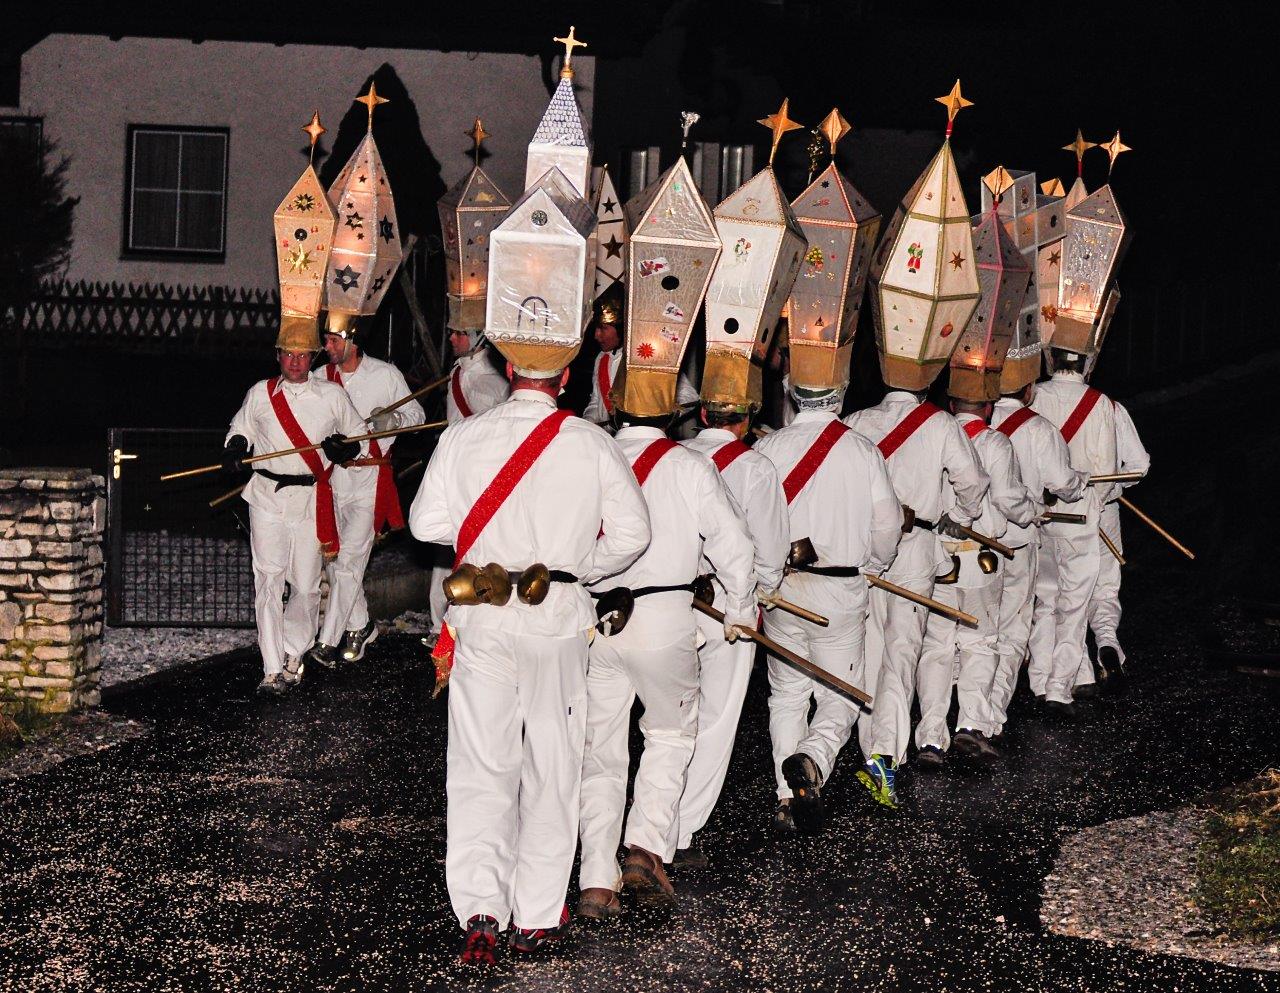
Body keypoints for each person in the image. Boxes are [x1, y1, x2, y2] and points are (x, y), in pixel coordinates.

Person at [408, 362, 650, 963]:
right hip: (555, 619)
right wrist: (576, 569)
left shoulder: (464, 435)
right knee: (552, 765)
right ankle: (538, 913)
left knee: (480, 765)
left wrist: (486, 541)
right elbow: (632, 535)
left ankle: (481, 907)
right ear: (566, 373)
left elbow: (425, 523)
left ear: (509, 366)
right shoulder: (590, 441)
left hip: (481, 615)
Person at [577, 381, 755, 917]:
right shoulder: (690, 467)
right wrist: (741, 608)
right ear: (672, 414)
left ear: (616, 408)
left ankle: (594, 880)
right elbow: (735, 546)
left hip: (599, 619)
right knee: (670, 735)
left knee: (600, 746)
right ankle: (645, 848)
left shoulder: (592, 459)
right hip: (664, 620)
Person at [755, 382, 901, 831]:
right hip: (839, 589)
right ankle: (812, 758)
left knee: (787, 694)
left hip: (781, 588)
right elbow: (888, 524)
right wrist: (874, 564)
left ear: (791, 396)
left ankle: (785, 798)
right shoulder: (861, 450)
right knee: (841, 694)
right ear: (840, 396)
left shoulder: (767, 449)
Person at [844, 388, 987, 807]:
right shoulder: (941, 422)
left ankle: (872, 746)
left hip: (864, 543)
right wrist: (959, 519)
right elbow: (973, 481)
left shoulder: (856, 421)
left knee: (868, 647)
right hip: (916, 544)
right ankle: (883, 753)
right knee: (902, 649)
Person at [669, 400, 788, 867]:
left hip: (674, 598)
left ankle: (653, 822)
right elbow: (770, 548)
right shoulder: (757, 467)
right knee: (716, 718)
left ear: (703, 416)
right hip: (728, 602)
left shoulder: (675, 454)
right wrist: (764, 593)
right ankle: (679, 831)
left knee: (672, 716)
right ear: (748, 417)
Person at [225, 317, 364, 695]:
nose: (296, 363)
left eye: (303, 356)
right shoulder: (260, 393)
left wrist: (346, 447)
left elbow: (362, 438)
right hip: (267, 498)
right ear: (278, 356)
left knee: (305, 585)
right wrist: (236, 446)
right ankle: (271, 667)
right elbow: (241, 428)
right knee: (267, 580)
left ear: (313, 357)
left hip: (310, 501)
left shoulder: (332, 397)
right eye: (288, 354)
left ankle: (293, 652)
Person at [914, 397, 1036, 768]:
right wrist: (1034, 511)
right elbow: (1009, 499)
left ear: (952, 401)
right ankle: (972, 724)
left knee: (935, 648)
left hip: (936, 558)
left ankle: (931, 738)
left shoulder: (929, 435)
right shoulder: (995, 442)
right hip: (980, 559)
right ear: (989, 405)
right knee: (980, 643)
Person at [309, 322, 424, 666]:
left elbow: (417, 414)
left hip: (370, 479)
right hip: (332, 481)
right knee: (335, 563)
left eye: (333, 339)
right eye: (326, 339)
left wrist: (392, 419)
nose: (326, 346)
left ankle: (327, 643)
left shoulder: (385, 375)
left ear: (352, 341)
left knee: (348, 564)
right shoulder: (319, 375)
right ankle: (361, 625)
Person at [988, 382, 1087, 734]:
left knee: (971, 632)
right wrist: (1081, 482)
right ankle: (988, 715)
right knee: (1013, 628)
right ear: (1028, 390)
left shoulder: (963, 424)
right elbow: (1063, 483)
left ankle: (956, 714)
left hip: (970, 545)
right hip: (1017, 542)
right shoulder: (1039, 428)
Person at [1027, 347, 1118, 716]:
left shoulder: (1032, 396)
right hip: (1080, 517)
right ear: (1089, 361)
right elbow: (1108, 476)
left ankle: (1037, 676)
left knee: (1044, 600)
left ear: (1050, 359)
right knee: (1075, 605)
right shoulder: (1099, 403)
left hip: (1039, 514)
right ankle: (1059, 686)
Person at [426, 328, 510, 642]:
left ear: (477, 339)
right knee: (444, 550)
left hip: (479, 482)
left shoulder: (494, 383)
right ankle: (440, 624)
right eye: (449, 333)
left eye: (458, 334)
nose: (450, 339)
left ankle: (467, 621)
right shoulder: (458, 372)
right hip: (453, 474)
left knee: (475, 549)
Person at [1081, 399, 1149, 690]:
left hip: (1054, 512)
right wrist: (1111, 488)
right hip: (1104, 507)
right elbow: (1138, 466)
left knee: (1058, 595)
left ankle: (1075, 672)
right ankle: (1107, 641)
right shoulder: (1109, 407)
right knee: (1104, 585)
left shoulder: (1033, 402)